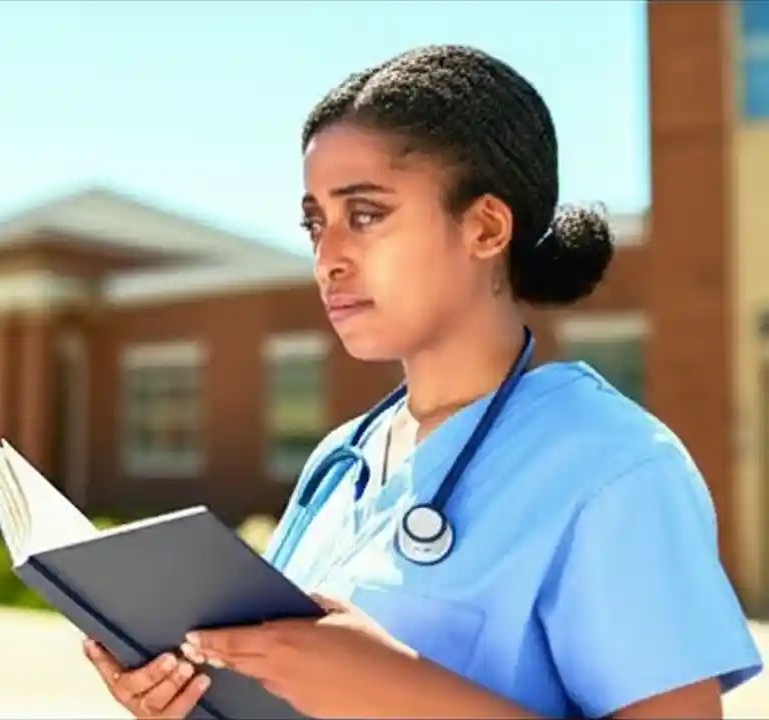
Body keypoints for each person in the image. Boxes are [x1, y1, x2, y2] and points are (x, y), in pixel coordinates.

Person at [82, 44, 764, 719]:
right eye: (315, 224)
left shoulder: (616, 467)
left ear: (487, 227)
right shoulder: (339, 461)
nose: (328, 259)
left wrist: (398, 692)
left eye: (366, 215)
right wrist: (191, 696)